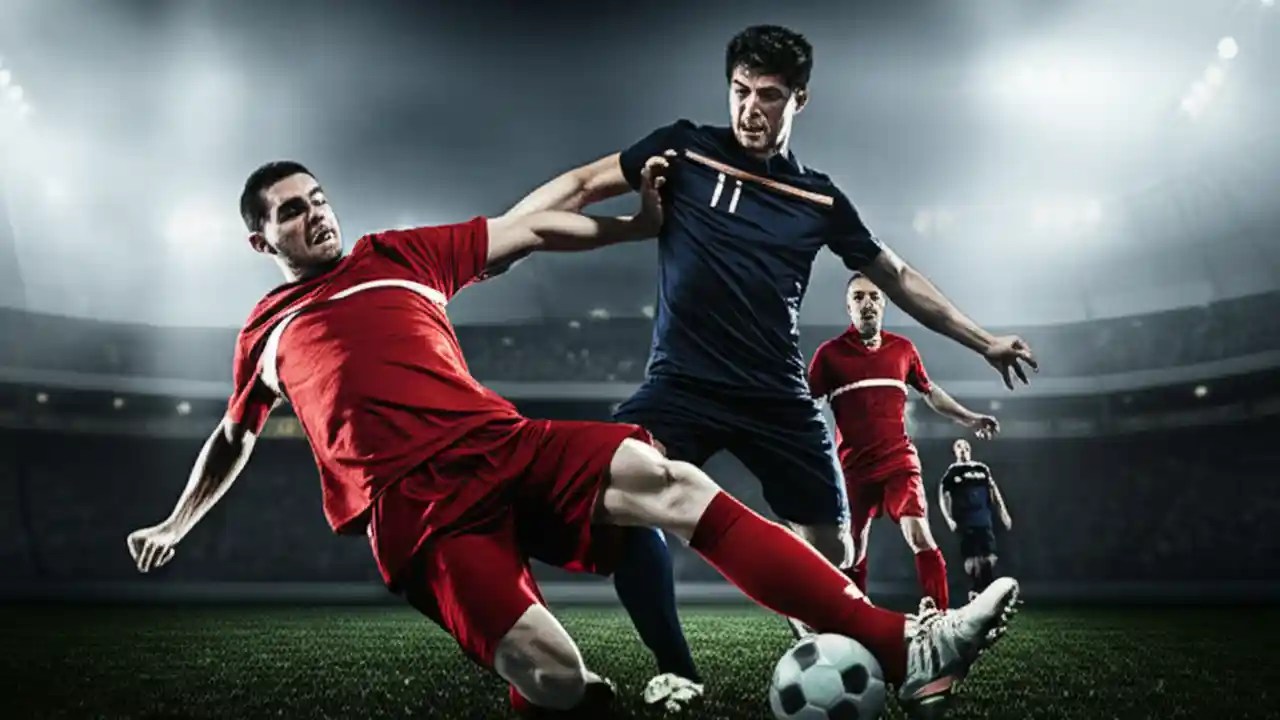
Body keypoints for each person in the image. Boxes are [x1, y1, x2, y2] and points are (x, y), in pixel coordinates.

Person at [125, 160, 1020, 718]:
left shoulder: (399, 256)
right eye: (292, 211)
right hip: (417, 511)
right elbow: (230, 439)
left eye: (318, 199)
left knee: (667, 480)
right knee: (560, 684)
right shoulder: (265, 336)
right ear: (259, 238)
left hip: (503, 443)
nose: (316, 215)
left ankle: (909, 648)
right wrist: (176, 522)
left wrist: (633, 221)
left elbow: (529, 227)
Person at [505, 23, 1038, 704]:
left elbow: (899, 278)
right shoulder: (686, 150)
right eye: (740, 91)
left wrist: (984, 339)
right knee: (617, 499)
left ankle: (849, 642)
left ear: (800, 101)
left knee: (834, 554)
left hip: (776, 396)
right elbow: (583, 183)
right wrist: (508, 235)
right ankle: (680, 668)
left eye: (769, 96)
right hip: (681, 385)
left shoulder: (819, 199)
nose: (750, 109)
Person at [810, 273, 1003, 610]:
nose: (867, 303)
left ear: (883, 304)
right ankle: (854, 619)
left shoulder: (902, 349)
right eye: (858, 297)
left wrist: (969, 418)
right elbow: (807, 405)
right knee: (852, 550)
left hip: (899, 462)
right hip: (852, 469)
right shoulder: (829, 355)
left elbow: (931, 393)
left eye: (874, 296)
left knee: (919, 533)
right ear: (848, 307)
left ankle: (940, 617)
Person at [939, 439, 1013, 602]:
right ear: (955, 452)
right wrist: (949, 518)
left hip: (984, 518)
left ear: (970, 450)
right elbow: (943, 496)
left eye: (966, 447)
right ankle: (974, 589)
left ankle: (987, 589)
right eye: (959, 447)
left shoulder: (981, 468)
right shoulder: (953, 472)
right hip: (966, 519)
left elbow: (994, 491)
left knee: (989, 556)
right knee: (973, 558)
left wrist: (1004, 512)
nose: (963, 450)